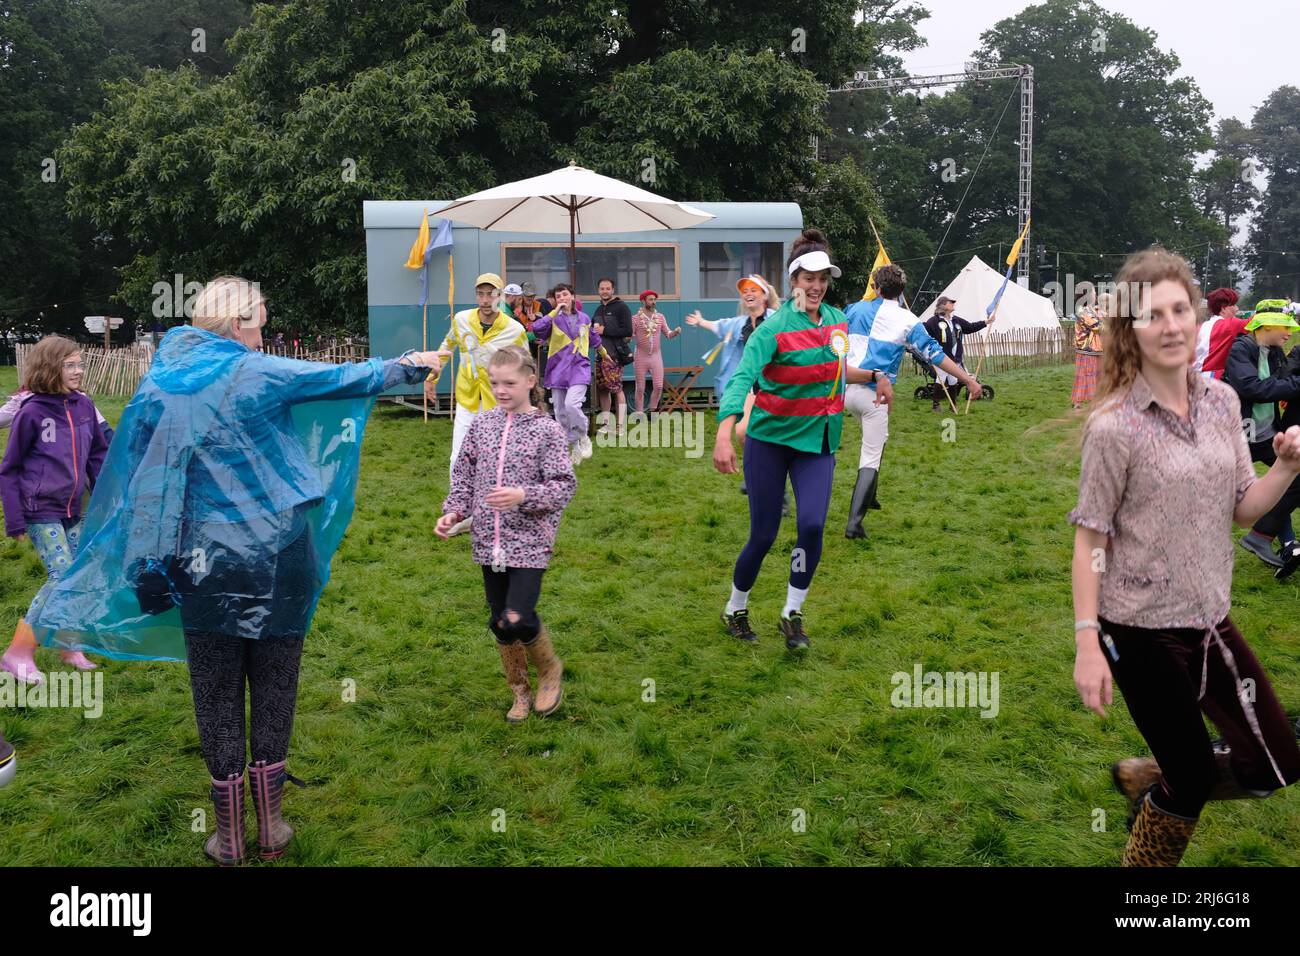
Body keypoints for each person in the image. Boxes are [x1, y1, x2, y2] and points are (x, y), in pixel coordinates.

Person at [26, 276, 441, 864]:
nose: (264, 331)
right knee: (276, 678)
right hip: (278, 551)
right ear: (241, 323)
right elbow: (343, 377)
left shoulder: (160, 382)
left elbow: (139, 470)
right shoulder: (259, 370)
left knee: (215, 689)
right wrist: (411, 364)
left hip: (199, 557)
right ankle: (270, 825)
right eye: (262, 321)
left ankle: (231, 836)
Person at [1070, 248, 1300, 867]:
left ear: (1197, 316)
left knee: (1277, 760)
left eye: (1181, 309)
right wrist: (1088, 642)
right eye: (1153, 314)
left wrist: (1284, 466)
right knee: (1193, 782)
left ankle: (1153, 778)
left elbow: (1243, 510)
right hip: (1136, 630)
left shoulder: (1222, 402)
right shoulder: (1114, 426)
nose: (1171, 325)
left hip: (1207, 617)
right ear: (1131, 330)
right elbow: (1092, 538)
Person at [711, 228, 884, 649]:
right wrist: (723, 431)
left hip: (818, 442)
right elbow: (742, 379)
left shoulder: (838, 322)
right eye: (809, 278)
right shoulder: (771, 330)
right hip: (769, 442)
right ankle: (735, 607)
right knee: (764, 534)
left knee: (811, 526)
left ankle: (792, 612)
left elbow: (839, 370)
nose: (817, 286)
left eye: (823, 278)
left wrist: (877, 376)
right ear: (794, 281)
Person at [435, 346, 576, 721]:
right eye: (494, 382)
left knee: (518, 616)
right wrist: (454, 511)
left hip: (530, 541)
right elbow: (463, 475)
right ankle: (520, 691)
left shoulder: (547, 430)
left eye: (509, 383)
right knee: (499, 621)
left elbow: (563, 485)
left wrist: (523, 495)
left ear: (530, 381)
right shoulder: (482, 425)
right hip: (488, 542)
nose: (500, 390)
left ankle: (549, 672)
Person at [0, 336, 110, 684]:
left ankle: (68, 644)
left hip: (73, 508)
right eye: (70, 365)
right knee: (61, 576)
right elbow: (10, 468)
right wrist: (15, 518)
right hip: (40, 510)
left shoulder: (83, 405)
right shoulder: (31, 412)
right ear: (50, 368)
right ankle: (17, 653)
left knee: (77, 577)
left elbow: (97, 454)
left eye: (80, 364)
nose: (79, 371)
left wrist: (107, 496)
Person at [843, 266, 982, 539]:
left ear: (876, 287)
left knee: (879, 439)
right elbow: (936, 356)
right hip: (875, 394)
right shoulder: (908, 319)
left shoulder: (853, 309)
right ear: (902, 291)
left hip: (846, 389)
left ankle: (870, 496)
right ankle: (854, 524)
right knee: (870, 453)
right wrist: (968, 379)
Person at [424, 273, 527, 535]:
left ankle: (498, 513)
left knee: (497, 461)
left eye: (491, 294)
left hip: (497, 406)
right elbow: (446, 347)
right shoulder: (462, 320)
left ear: (500, 297)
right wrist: (432, 377)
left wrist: (526, 401)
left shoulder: (514, 330)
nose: (485, 300)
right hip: (468, 400)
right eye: (480, 294)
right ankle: (460, 513)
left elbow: (526, 366)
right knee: (458, 458)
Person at [1223, 299, 1300, 572]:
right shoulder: (1241, 349)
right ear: (1267, 325)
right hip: (1240, 435)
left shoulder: (1277, 352)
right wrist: (1293, 384)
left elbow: (1282, 381)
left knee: (1290, 481)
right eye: (1285, 327)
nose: (1290, 333)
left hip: (1267, 435)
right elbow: (1253, 387)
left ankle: (1280, 541)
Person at [687, 275, 781, 500]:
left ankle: (775, 489)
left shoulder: (778, 320)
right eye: (745, 290)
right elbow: (719, 326)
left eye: (753, 290)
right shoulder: (740, 323)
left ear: (764, 295)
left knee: (772, 439)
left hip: (776, 386)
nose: (748, 293)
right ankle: (756, 479)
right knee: (742, 431)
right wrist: (701, 322)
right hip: (751, 387)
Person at [531, 283, 605, 466]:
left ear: (572, 296)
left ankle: (584, 436)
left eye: (565, 294)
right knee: (561, 414)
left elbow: (595, 339)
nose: (562, 298)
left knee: (572, 405)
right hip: (557, 370)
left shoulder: (585, 318)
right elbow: (537, 328)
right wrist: (554, 311)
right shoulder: (553, 319)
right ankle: (574, 447)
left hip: (579, 368)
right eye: (558, 296)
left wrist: (605, 355)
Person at [922, 296, 995, 411]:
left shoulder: (956, 320)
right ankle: (936, 405)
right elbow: (924, 329)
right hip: (941, 357)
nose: (953, 304)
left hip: (956, 358)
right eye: (950, 302)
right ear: (943, 305)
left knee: (953, 380)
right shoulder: (934, 321)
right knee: (941, 378)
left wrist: (986, 322)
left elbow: (970, 327)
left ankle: (953, 405)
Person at [591, 278, 633, 433]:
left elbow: (628, 331)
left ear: (613, 290)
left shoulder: (622, 307)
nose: (604, 291)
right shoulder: (597, 310)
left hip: (614, 355)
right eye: (602, 288)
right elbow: (592, 331)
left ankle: (620, 426)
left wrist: (605, 331)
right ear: (598, 291)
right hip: (599, 356)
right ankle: (607, 424)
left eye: (607, 288)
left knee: (616, 389)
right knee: (603, 389)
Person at [630, 290, 681, 414]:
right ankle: (640, 413)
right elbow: (629, 336)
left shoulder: (660, 317)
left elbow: (668, 334)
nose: (653, 302)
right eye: (650, 299)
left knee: (658, 386)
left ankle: (653, 411)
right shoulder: (635, 319)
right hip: (640, 356)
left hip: (656, 356)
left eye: (654, 299)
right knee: (640, 387)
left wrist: (675, 332)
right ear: (643, 301)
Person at [1193, 287, 1248, 381]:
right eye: (1234, 305)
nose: (1237, 308)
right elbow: (1257, 322)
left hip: (1193, 377)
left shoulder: (1201, 326)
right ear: (1223, 308)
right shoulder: (1230, 324)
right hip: (1213, 380)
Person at [1072, 290, 1106, 409]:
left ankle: (1088, 402)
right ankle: (1080, 402)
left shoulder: (1093, 310)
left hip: (1095, 348)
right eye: (1093, 292)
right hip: (1087, 348)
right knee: (1086, 375)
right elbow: (1096, 326)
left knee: (1096, 375)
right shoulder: (1082, 311)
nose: (1095, 294)